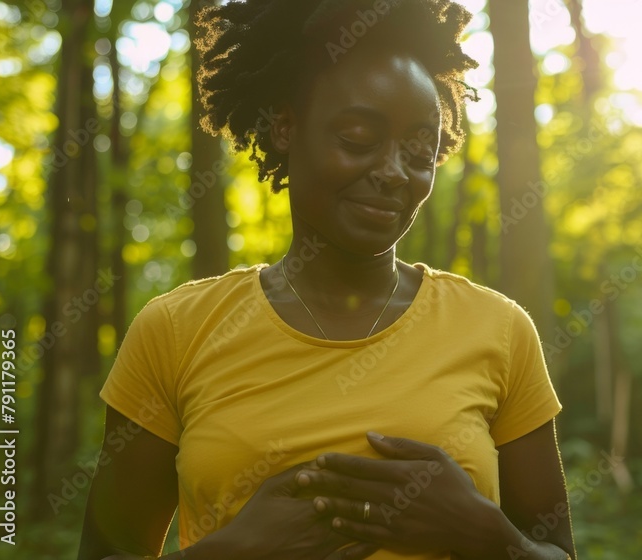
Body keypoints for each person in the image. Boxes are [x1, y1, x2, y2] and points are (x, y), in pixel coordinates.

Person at [78, 0, 576, 559]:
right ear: (287, 127)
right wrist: (235, 552)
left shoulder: (499, 329)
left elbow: (554, 550)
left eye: (419, 151)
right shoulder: (174, 331)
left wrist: (486, 536)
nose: (392, 172)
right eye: (359, 139)